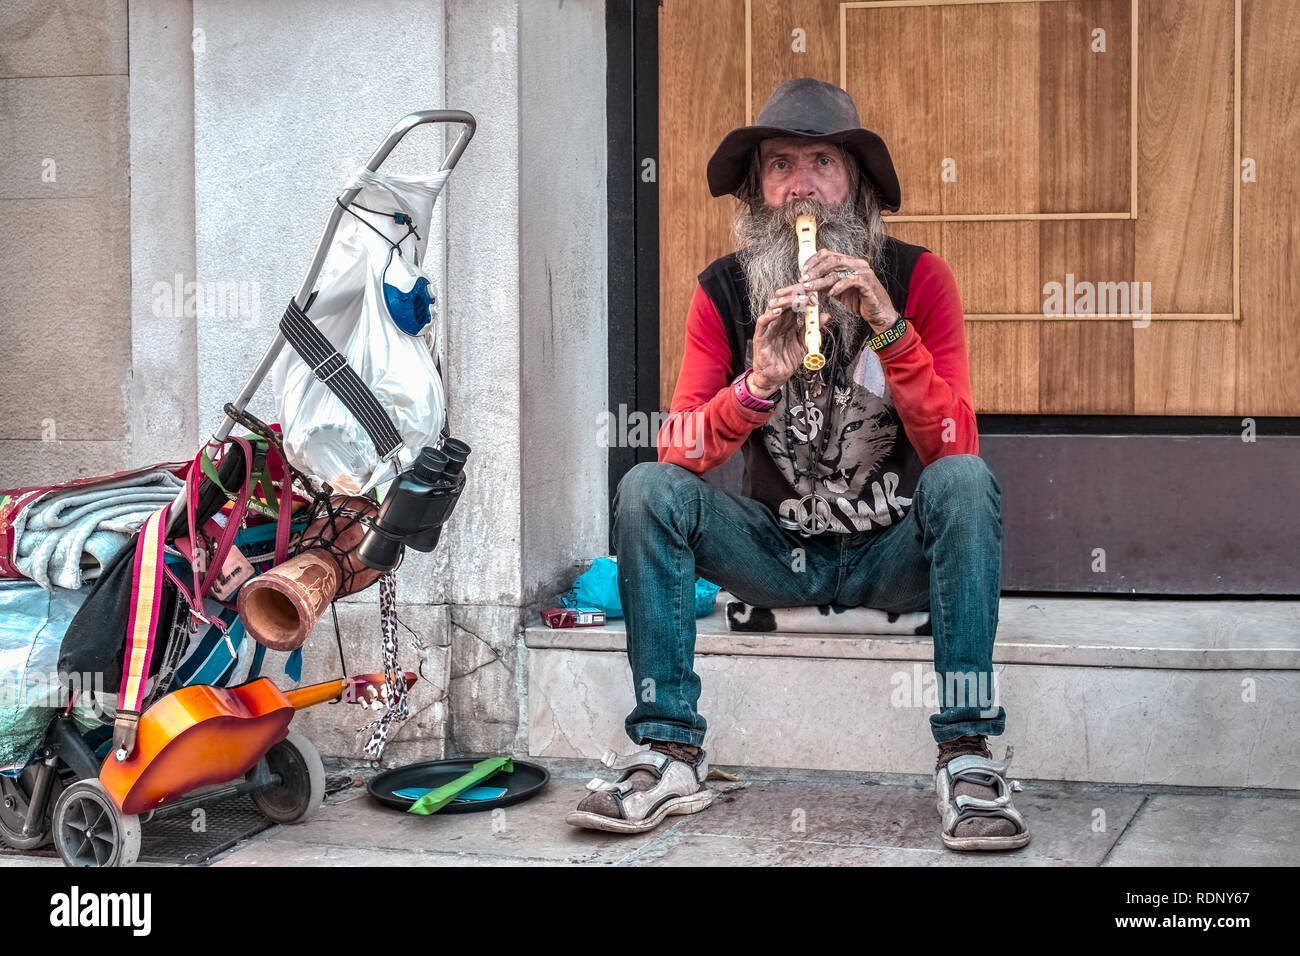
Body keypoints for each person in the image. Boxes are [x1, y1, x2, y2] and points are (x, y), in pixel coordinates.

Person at [566, 78, 1029, 851]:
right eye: (780, 166)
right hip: (779, 552)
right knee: (647, 491)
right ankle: (669, 747)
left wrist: (889, 329)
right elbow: (677, 447)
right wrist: (756, 385)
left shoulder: (919, 281)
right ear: (757, 192)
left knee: (965, 484)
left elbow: (955, 445)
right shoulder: (722, 291)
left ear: (857, 189)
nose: (800, 186)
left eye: (821, 162)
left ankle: (967, 753)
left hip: (891, 552)